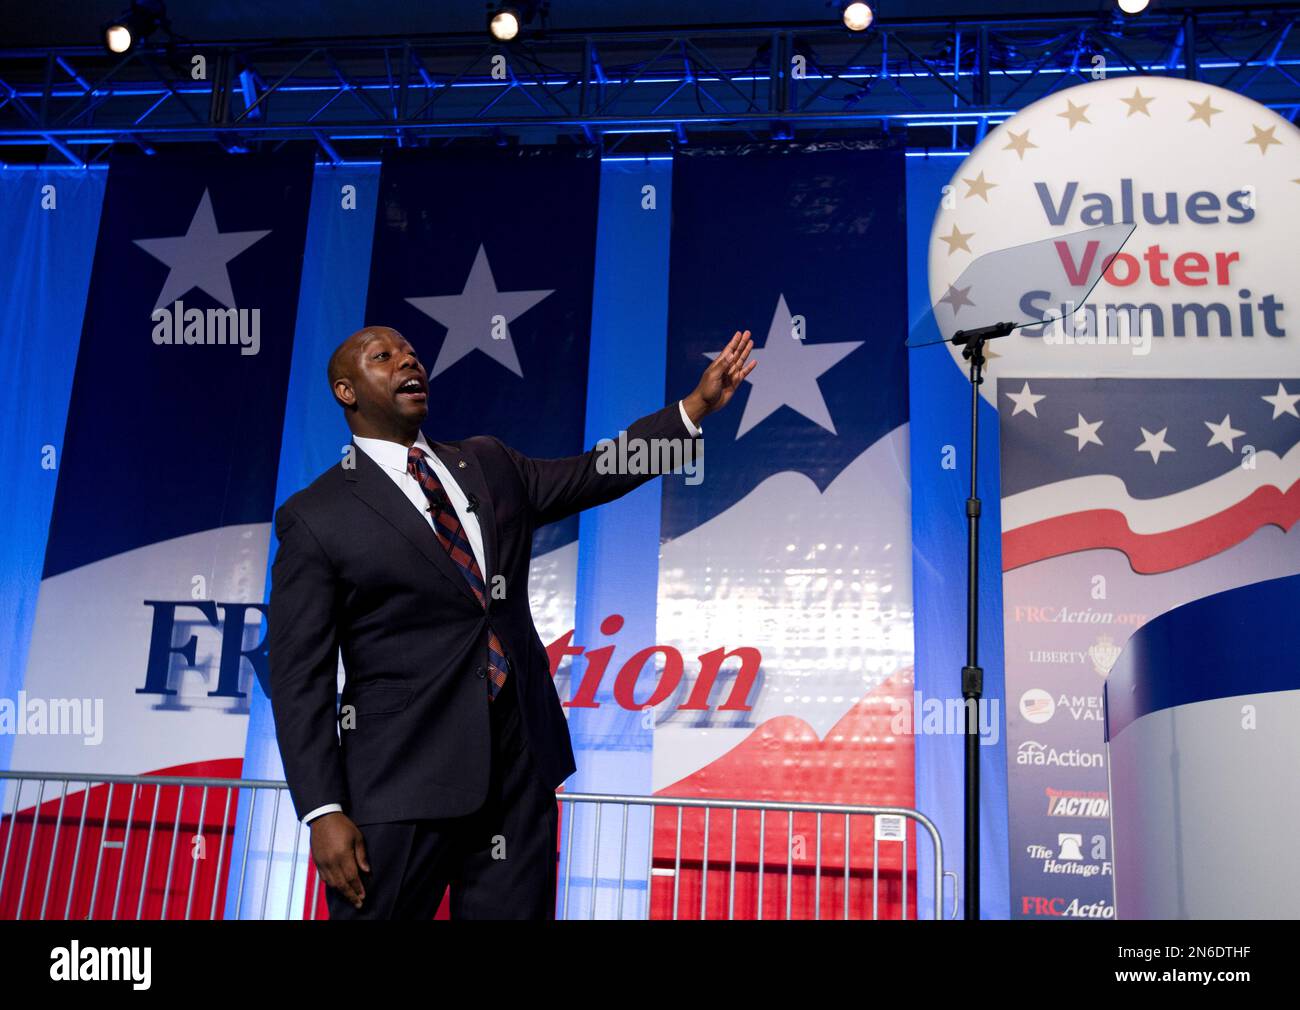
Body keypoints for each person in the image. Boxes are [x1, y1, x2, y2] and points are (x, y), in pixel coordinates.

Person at [268, 324, 755, 919]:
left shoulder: (487, 464)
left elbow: (597, 471)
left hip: (517, 771)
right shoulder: (316, 516)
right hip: (398, 783)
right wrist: (323, 810)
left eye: (413, 354)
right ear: (347, 391)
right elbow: (300, 679)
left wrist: (694, 409)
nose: (408, 362)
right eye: (384, 356)